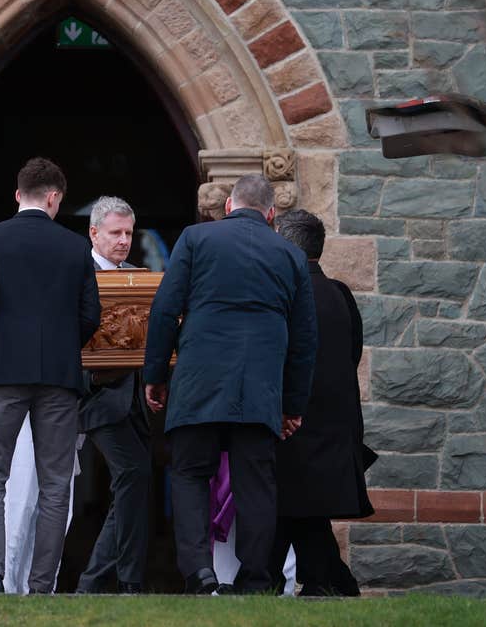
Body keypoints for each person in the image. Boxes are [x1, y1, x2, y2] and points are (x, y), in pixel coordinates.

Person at [143, 173, 319, 594]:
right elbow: (304, 340)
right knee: (256, 483)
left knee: (188, 475)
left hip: (199, 381)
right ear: (271, 213)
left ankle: (199, 571)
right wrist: (292, 405)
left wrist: (155, 375)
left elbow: (165, 309)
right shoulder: (291, 256)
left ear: (228, 206)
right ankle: (256, 577)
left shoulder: (196, 239)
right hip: (258, 390)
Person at [0, 157, 102, 594]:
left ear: (17, 194)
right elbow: (90, 314)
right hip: (59, 375)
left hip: (3, 369)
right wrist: (64, 345)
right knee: (55, 484)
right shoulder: (75, 246)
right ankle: (41, 584)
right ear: (53, 197)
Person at [272, 209, 373, 597]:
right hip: (335, 426)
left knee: (292, 508)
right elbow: (353, 353)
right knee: (303, 512)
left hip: (292, 425)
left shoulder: (286, 294)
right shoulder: (340, 294)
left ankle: (311, 580)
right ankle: (323, 580)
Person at [75, 196, 150, 595]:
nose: (123, 241)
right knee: (134, 475)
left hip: (135, 401)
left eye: (128, 233)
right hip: (96, 398)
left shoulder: (140, 277)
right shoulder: (77, 274)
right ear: (94, 233)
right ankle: (110, 581)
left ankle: (121, 581)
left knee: (135, 482)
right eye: (115, 233)